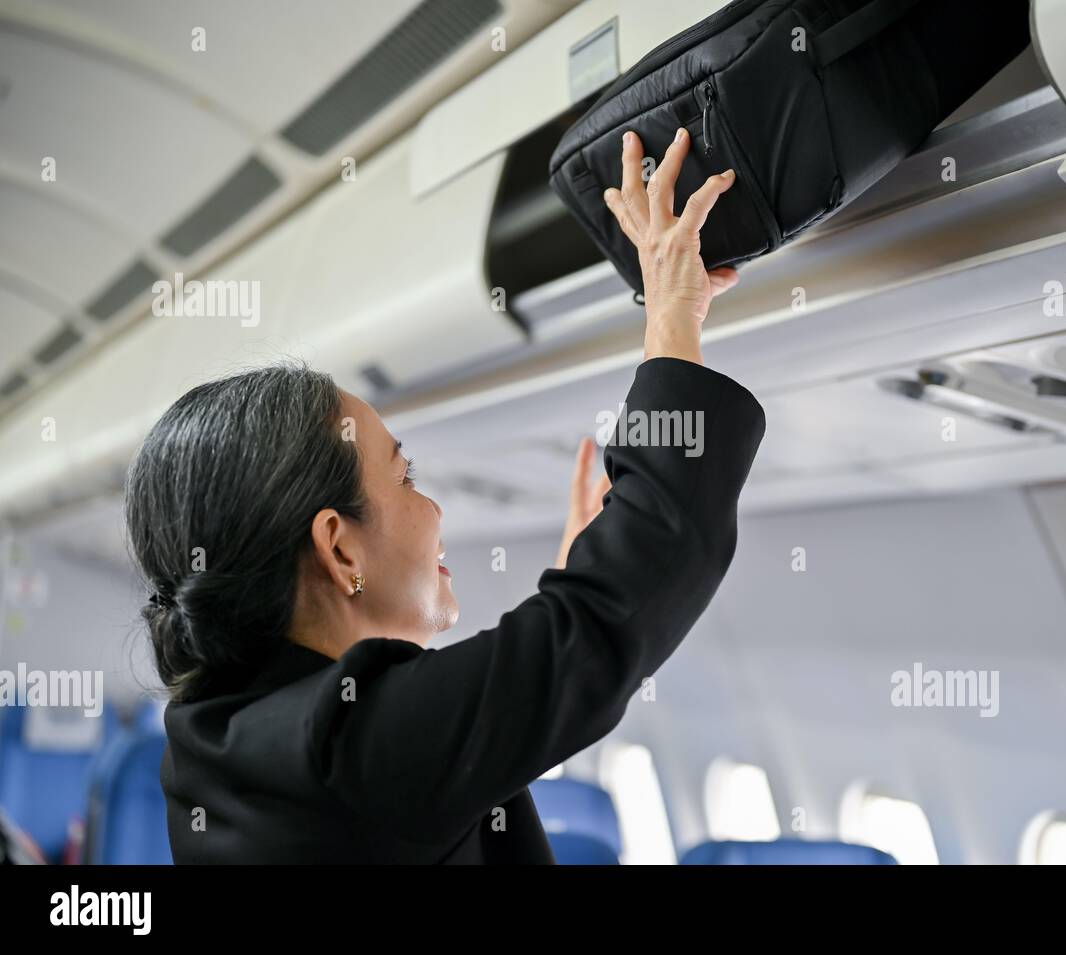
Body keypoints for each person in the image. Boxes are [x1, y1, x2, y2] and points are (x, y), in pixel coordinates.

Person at [129, 126, 766, 863]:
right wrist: (673, 316)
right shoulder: (348, 750)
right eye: (405, 477)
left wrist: (569, 587)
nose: (434, 509)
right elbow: (605, 623)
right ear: (338, 547)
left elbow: (467, 728)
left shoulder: (210, 741)